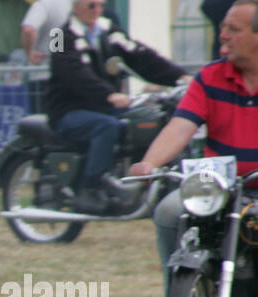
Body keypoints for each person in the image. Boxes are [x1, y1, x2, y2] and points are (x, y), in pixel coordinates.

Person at [131, 0, 258, 297]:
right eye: (223, 27)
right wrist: (150, 163)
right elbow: (180, 127)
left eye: (234, 29)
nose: (224, 34)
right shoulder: (210, 76)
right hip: (218, 186)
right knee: (170, 210)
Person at [46, 0, 188, 215]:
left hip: (104, 107)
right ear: (75, 5)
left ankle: (139, 182)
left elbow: (140, 55)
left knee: (146, 118)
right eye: (91, 5)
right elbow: (68, 69)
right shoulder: (58, 34)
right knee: (107, 127)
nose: (97, 11)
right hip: (68, 110)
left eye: (101, 6)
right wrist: (108, 94)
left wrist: (179, 77)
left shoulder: (108, 29)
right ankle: (90, 188)